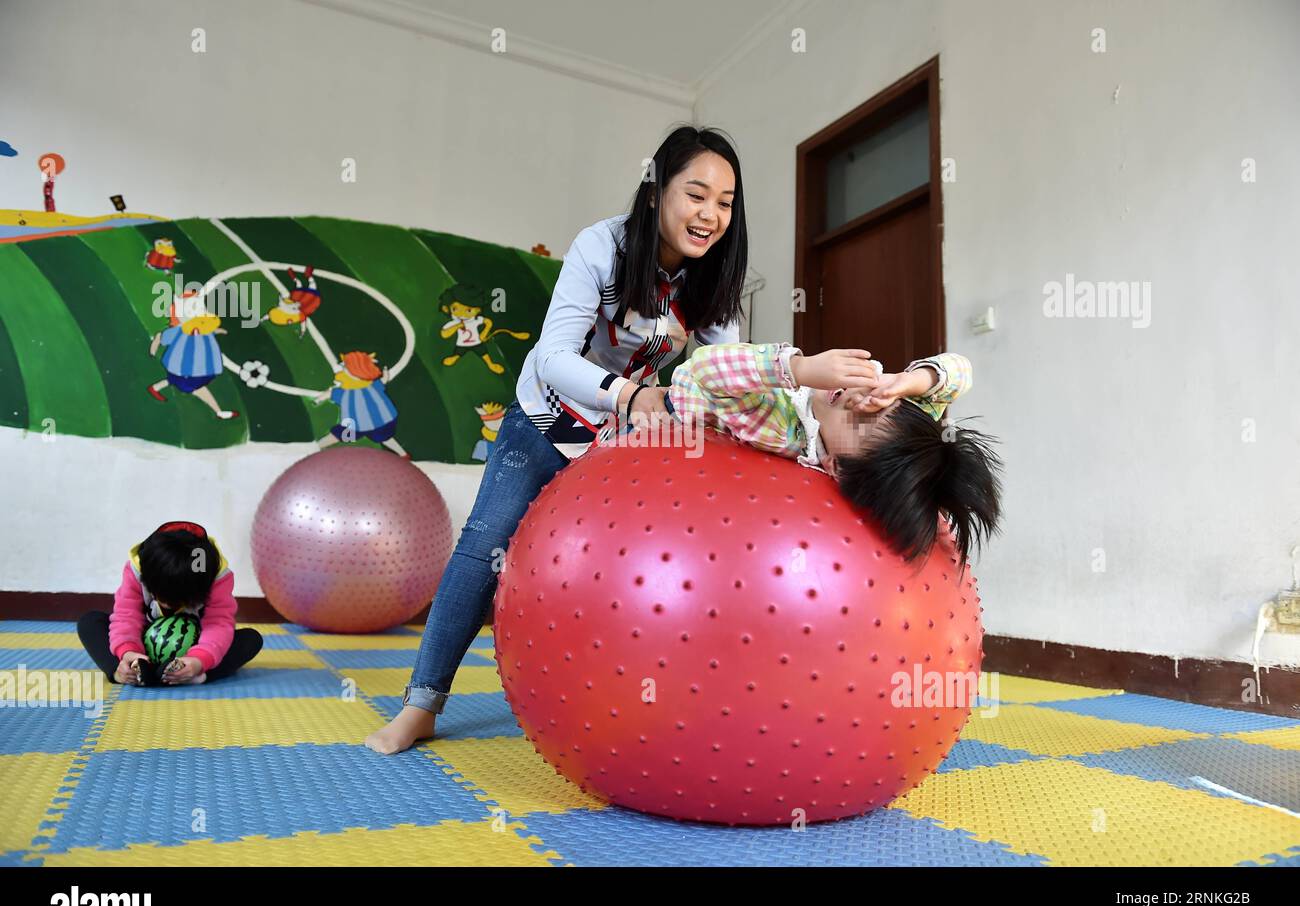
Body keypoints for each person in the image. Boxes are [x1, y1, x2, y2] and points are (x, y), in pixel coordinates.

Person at [364, 125, 755, 754]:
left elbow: (724, 378)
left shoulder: (715, 283)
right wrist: (630, 395)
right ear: (657, 193)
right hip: (544, 419)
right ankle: (422, 704)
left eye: (726, 202)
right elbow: (552, 357)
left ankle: (612, 706)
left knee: (618, 568)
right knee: (485, 548)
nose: (710, 215)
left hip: (620, 441)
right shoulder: (601, 246)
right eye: (696, 194)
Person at [660, 340, 1003, 564]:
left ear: (835, 464)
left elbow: (702, 369)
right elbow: (961, 370)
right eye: (877, 401)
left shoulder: (781, 428)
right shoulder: (905, 418)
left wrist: (799, 369)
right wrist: (910, 381)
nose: (858, 399)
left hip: (671, 418)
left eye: (857, 420)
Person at [76, 521, 263, 686]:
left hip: (193, 651)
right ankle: (122, 672)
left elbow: (218, 623)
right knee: (90, 622)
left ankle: (194, 674)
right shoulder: (137, 570)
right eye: (161, 597)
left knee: (250, 639)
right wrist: (128, 652)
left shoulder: (216, 576)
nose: (166, 605)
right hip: (143, 650)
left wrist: (199, 661)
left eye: (177, 601)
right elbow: (126, 617)